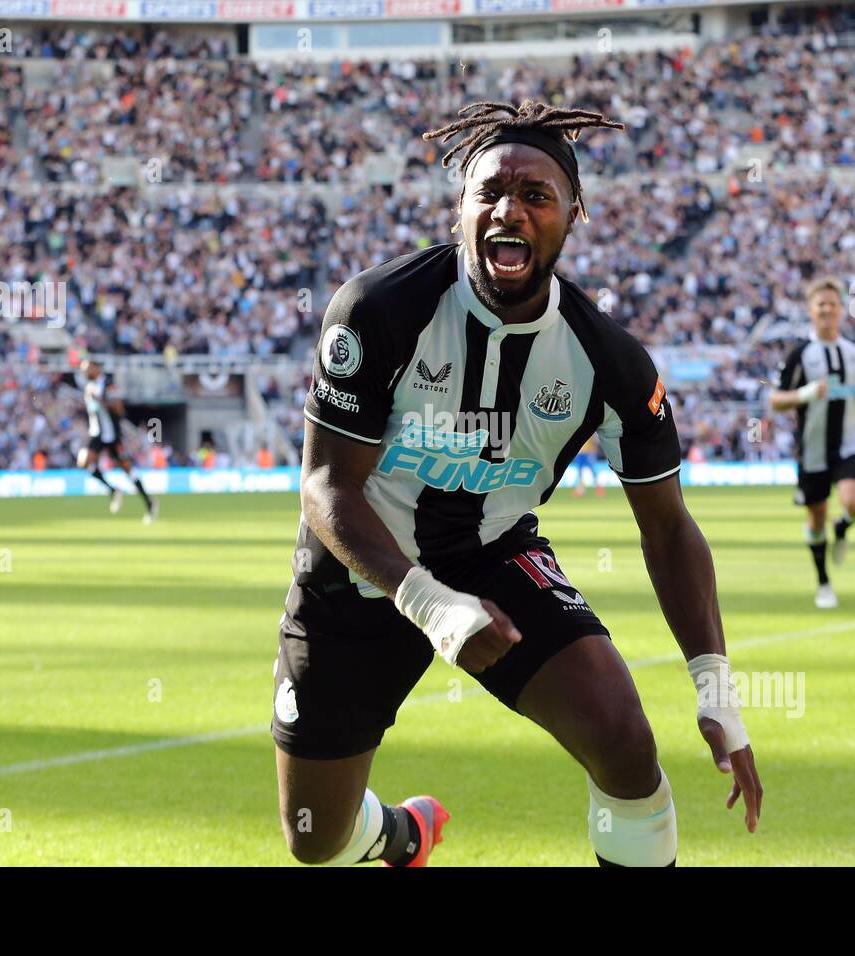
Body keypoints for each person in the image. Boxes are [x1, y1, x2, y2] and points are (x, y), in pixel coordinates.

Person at [272, 100, 762, 868]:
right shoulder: (378, 311)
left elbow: (667, 527)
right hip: (361, 566)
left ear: (575, 213)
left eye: (536, 196)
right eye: (489, 193)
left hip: (491, 556)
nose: (510, 210)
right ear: (460, 209)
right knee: (314, 840)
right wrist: (429, 604)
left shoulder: (611, 361)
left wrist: (714, 683)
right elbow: (327, 489)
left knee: (624, 742)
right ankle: (401, 835)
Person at [769, 277, 855, 609]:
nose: (827, 309)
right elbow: (775, 399)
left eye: (832, 303)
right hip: (812, 448)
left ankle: (842, 528)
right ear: (811, 311)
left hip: (849, 442)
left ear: (841, 309)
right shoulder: (800, 354)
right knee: (816, 518)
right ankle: (824, 582)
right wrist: (806, 393)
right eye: (821, 304)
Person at [77, 359, 157, 524]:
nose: (84, 372)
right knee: (84, 462)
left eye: (87, 369)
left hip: (113, 435)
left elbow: (119, 410)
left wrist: (101, 401)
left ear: (96, 368)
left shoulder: (109, 385)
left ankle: (150, 503)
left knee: (128, 470)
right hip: (97, 434)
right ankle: (113, 490)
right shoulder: (88, 387)